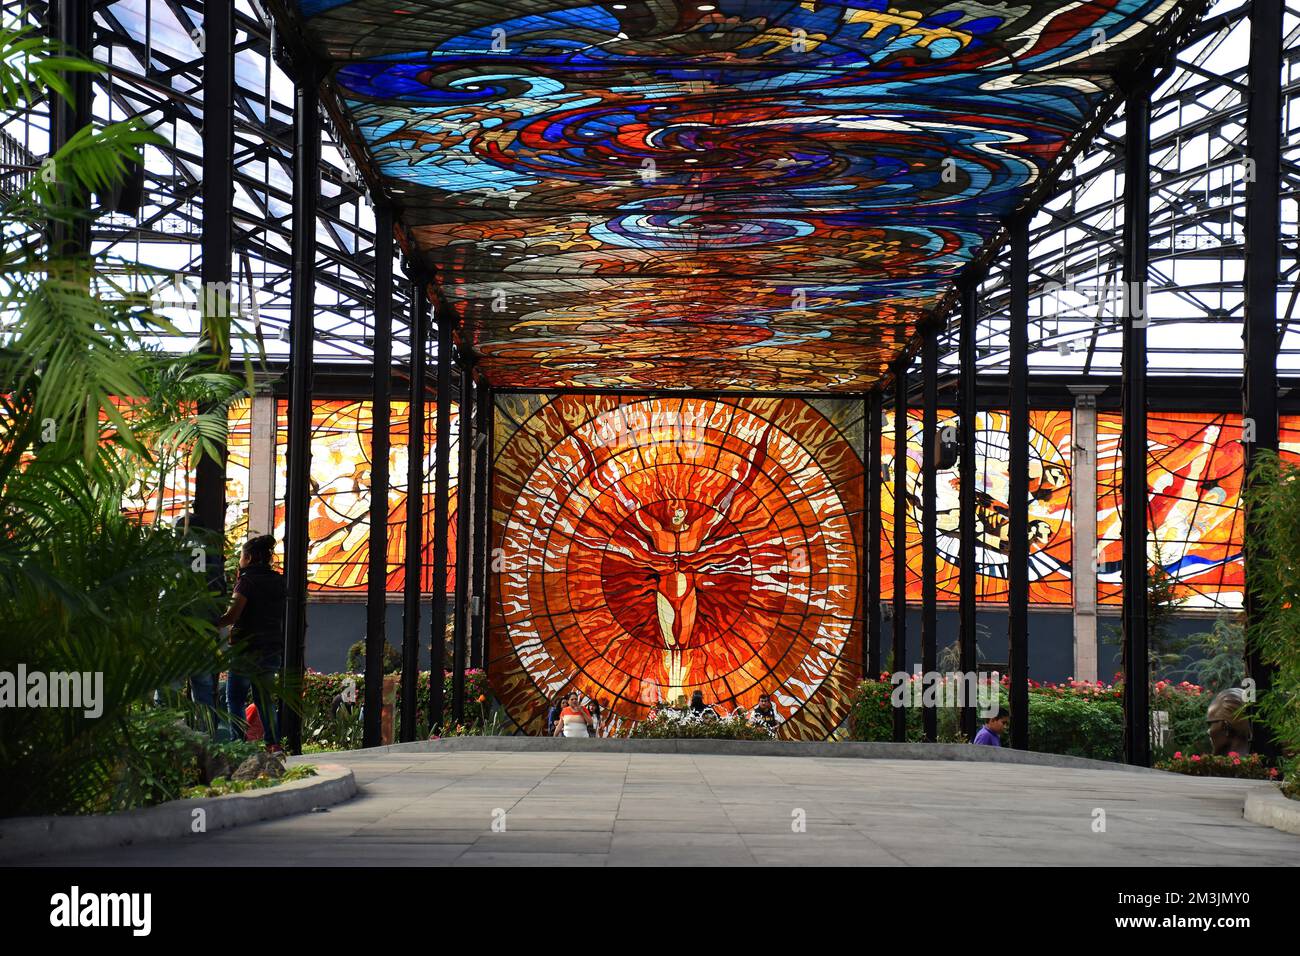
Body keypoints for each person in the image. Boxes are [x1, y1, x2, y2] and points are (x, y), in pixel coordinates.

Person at [219, 534, 287, 752]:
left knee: (236, 699)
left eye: (240, 556)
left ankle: (238, 745)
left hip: (246, 649)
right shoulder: (278, 581)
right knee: (265, 699)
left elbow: (233, 615)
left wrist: (208, 622)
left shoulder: (246, 582)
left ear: (247, 558)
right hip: (271, 647)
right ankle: (273, 744)